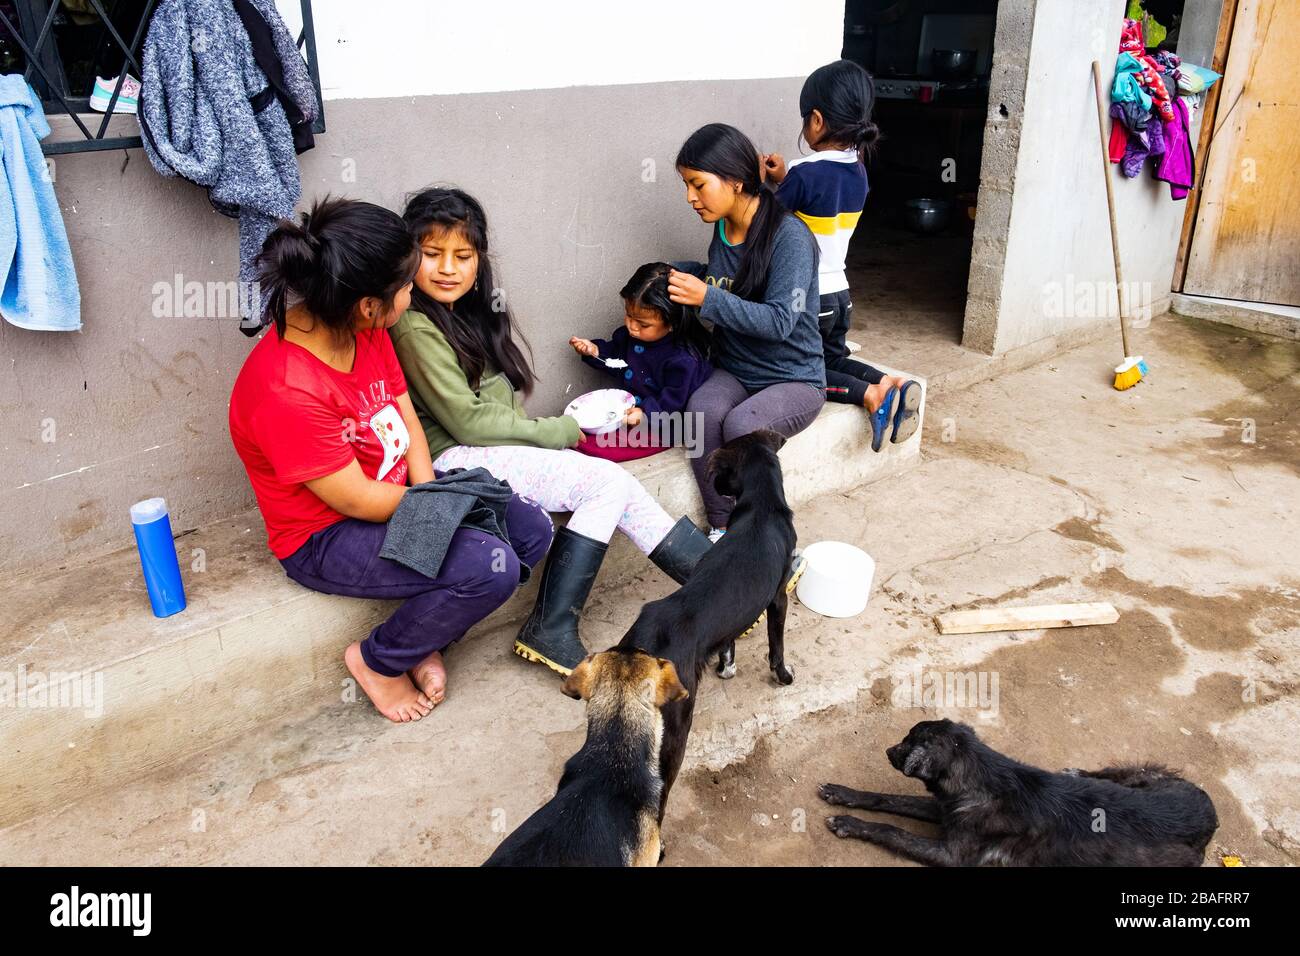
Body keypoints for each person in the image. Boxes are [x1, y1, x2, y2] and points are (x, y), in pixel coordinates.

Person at [228, 197, 554, 722]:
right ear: (368, 304)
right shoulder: (285, 388)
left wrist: (435, 498)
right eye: (405, 285)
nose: (413, 291)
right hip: (329, 535)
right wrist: (442, 511)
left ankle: (425, 638)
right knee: (489, 570)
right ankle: (378, 661)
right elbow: (354, 498)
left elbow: (406, 422)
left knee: (530, 529)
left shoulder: (365, 330)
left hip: (403, 492)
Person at [389, 187, 712, 676]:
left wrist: (534, 432)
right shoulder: (415, 326)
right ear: (410, 256)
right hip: (453, 460)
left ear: (479, 260)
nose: (448, 268)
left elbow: (492, 405)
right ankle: (560, 623)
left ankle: (707, 576)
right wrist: (560, 430)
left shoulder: (459, 315)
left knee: (610, 482)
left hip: (482, 449)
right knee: (605, 480)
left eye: (462, 255)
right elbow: (466, 420)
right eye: (432, 255)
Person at [668, 123, 825, 538]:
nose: (690, 197)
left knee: (742, 427)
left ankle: (767, 536)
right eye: (686, 185)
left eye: (698, 185)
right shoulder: (721, 229)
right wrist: (684, 277)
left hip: (793, 378)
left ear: (736, 181)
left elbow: (779, 320)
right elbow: (727, 282)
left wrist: (706, 298)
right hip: (736, 368)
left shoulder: (789, 237)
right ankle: (723, 529)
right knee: (701, 415)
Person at [763, 59, 920, 452]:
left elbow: (764, 222)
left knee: (803, 373)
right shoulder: (858, 171)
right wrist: (787, 178)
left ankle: (872, 396)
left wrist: (770, 183)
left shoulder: (804, 174)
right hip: (840, 295)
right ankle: (893, 383)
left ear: (816, 120)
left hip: (805, 298)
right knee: (832, 356)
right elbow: (820, 203)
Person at [568, 261, 712, 462]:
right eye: (628, 315)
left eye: (643, 324)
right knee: (582, 428)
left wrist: (645, 414)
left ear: (672, 323)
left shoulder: (683, 360)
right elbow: (615, 356)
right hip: (629, 414)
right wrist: (594, 350)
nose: (631, 326)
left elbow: (674, 400)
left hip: (662, 426)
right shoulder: (632, 337)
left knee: (596, 446)